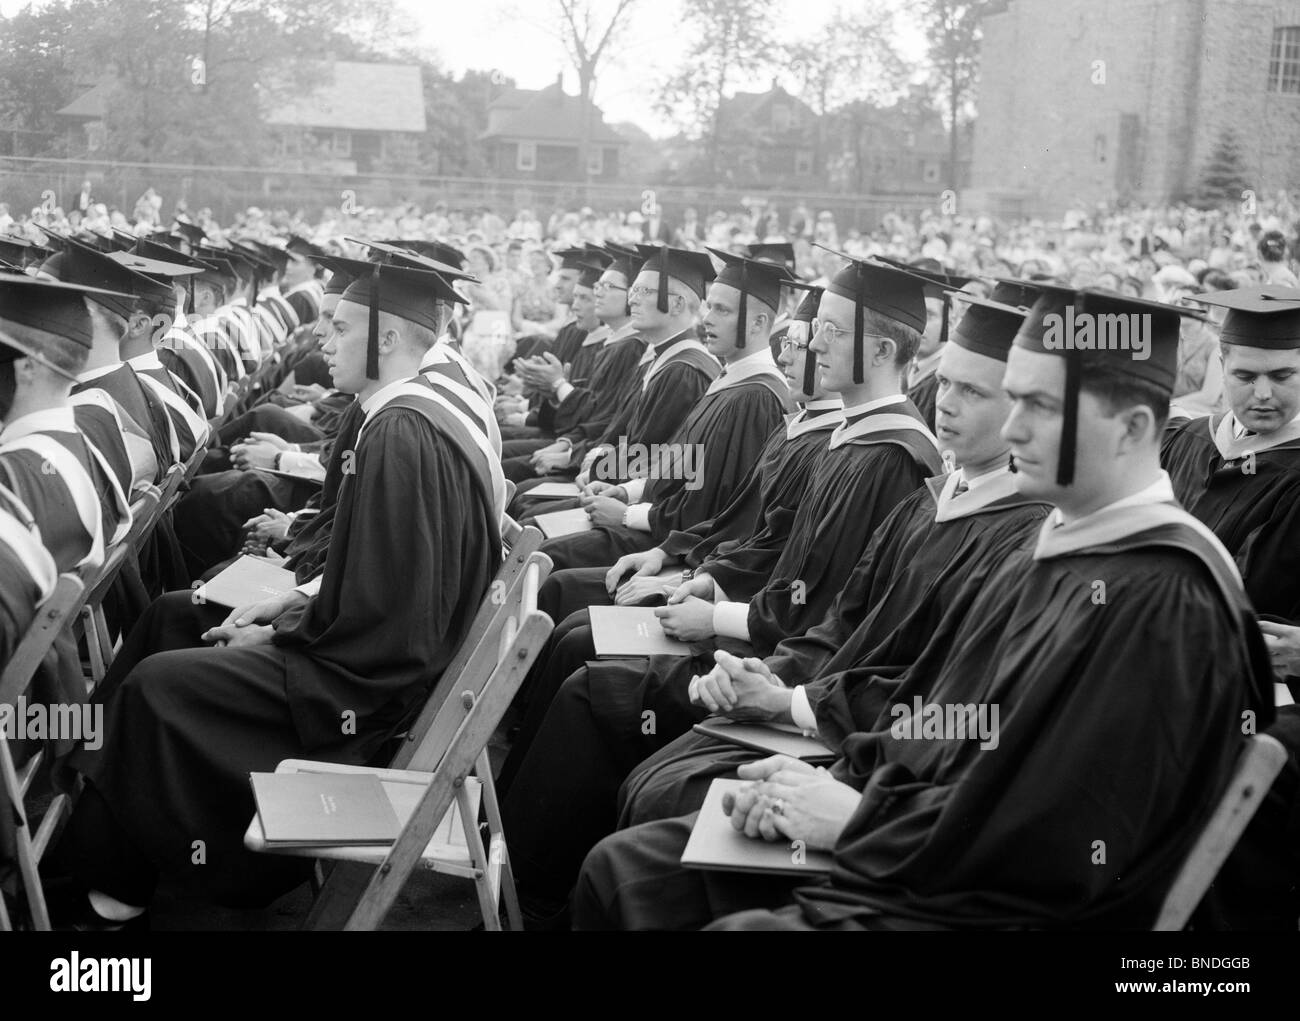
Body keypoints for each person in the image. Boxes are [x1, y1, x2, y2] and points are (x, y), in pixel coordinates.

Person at [574, 285, 1274, 931]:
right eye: (1014, 398)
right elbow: (943, 717)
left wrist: (855, 818)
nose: (1015, 428)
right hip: (930, 849)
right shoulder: (1063, 549)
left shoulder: (1162, 599)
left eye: (1039, 406)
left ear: (1133, 427)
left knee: (669, 892)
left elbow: (1063, 843)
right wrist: (828, 778)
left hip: (1002, 907)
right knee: (628, 864)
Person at [46, 261, 504, 926]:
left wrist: (282, 631)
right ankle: (93, 833)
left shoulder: (404, 431)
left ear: (386, 339)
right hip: (371, 643)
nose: (322, 338)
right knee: (172, 614)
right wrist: (294, 604)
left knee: (158, 687)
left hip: (364, 686)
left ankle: (109, 895)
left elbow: (391, 621)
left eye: (339, 326)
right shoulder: (408, 412)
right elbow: (387, 578)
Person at [538, 248, 794, 571]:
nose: (708, 318)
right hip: (662, 523)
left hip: (685, 549)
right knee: (543, 539)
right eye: (710, 307)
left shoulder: (756, 398)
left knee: (551, 563)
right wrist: (628, 490)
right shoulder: (730, 383)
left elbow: (719, 506)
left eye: (722, 310)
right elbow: (685, 464)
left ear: (759, 323)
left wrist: (629, 512)